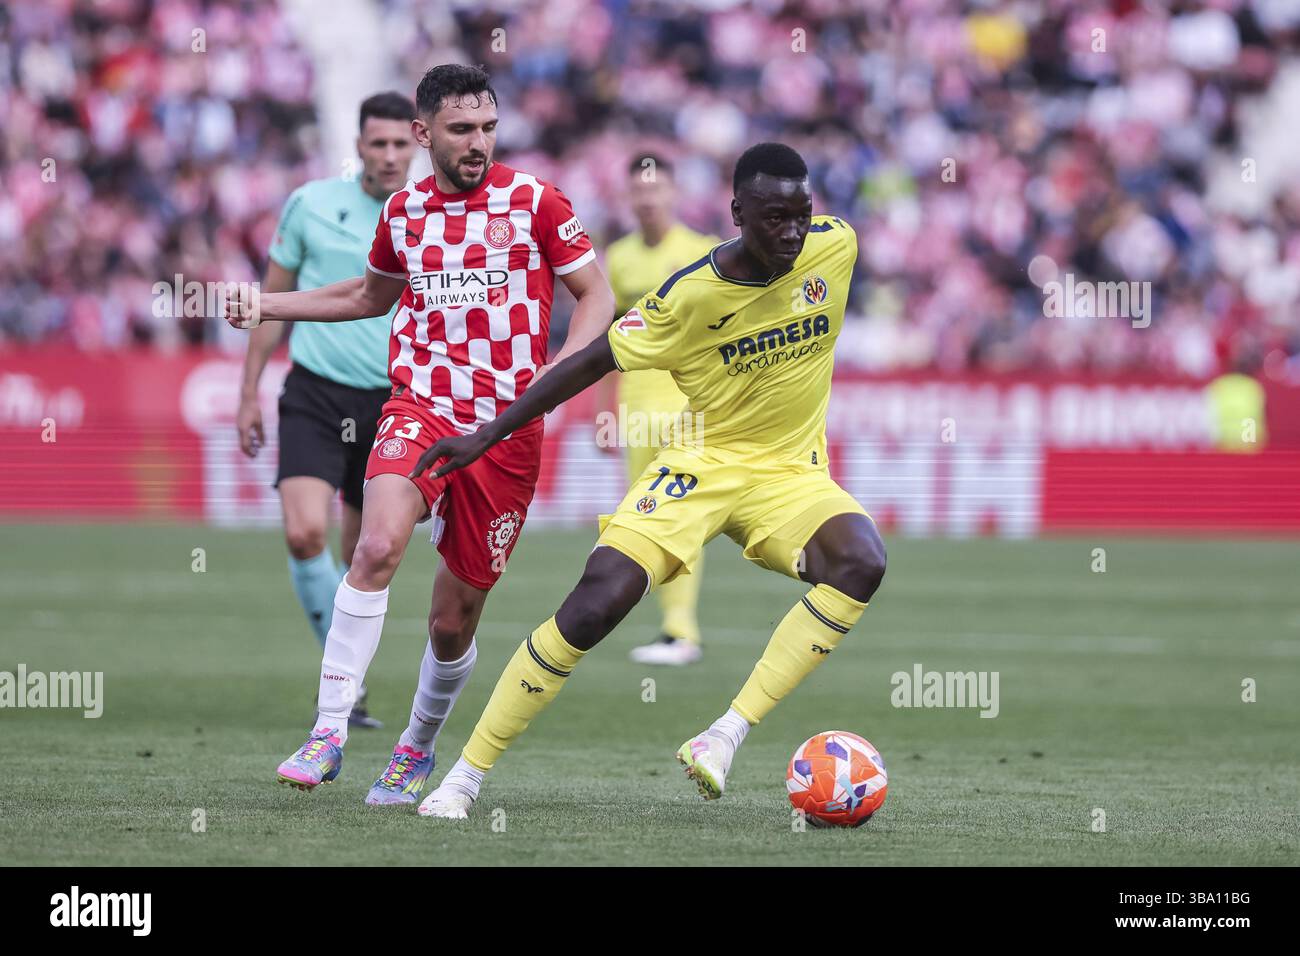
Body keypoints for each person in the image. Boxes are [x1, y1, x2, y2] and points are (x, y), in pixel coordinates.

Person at [411, 143, 888, 819]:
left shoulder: (833, 249)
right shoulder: (688, 296)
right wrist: (490, 432)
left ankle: (725, 734)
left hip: (790, 475)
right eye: (774, 216)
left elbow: (817, 238)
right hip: (698, 463)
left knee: (863, 560)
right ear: (738, 213)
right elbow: (591, 361)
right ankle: (464, 776)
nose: (791, 231)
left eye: (801, 215)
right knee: (597, 601)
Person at [224, 64, 615, 805]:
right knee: (373, 546)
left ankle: (416, 746)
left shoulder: (534, 200)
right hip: (420, 408)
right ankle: (329, 729)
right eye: (463, 130)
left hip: (507, 427)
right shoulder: (404, 212)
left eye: (489, 128)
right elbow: (369, 295)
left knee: (449, 619)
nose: (478, 143)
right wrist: (268, 303)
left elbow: (596, 295)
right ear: (423, 132)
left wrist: (558, 374)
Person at [236, 91, 417, 728]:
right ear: (359, 144)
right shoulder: (311, 204)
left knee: (361, 554)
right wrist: (248, 392)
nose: (391, 155)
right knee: (302, 532)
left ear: (417, 144)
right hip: (313, 392)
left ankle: (346, 677)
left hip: (392, 401)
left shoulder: (426, 216)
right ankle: (337, 677)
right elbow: (271, 300)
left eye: (402, 143)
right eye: (379, 143)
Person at [601, 153, 718, 666]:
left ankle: (680, 631)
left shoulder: (703, 252)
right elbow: (608, 341)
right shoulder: (619, 257)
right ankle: (671, 630)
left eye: (656, 188)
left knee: (679, 516)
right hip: (635, 408)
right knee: (646, 518)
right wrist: (603, 411)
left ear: (674, 193)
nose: (647, 198)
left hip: (689, 407)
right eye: (639, 190)